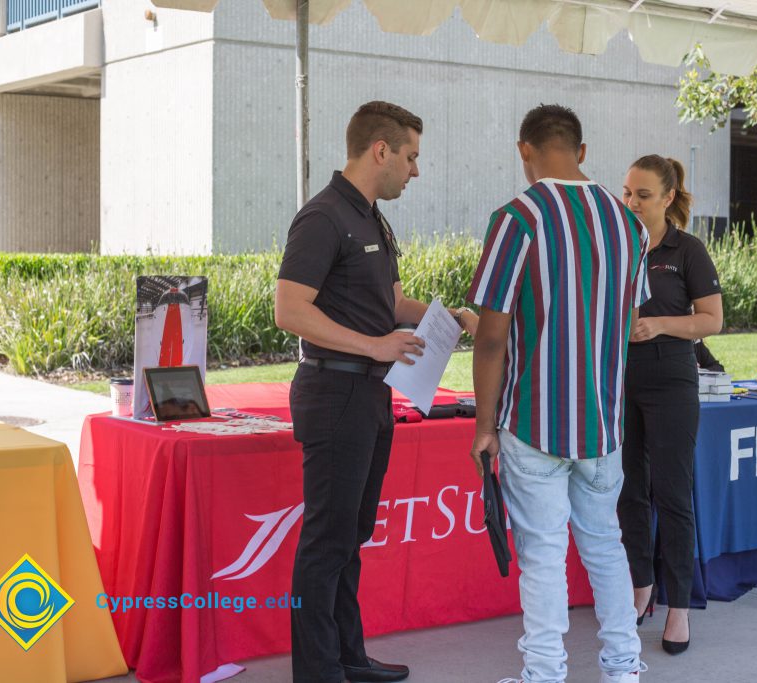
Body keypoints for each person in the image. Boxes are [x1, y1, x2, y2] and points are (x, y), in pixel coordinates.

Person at [274, 101, 477, 683]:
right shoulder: (323, 216)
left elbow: (388, 304)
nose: (415, 171)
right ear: (380, 150)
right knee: (327, 539)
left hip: (369, 395)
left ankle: (347, 657)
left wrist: (452, 315)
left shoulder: (372, 218)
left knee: (350, 536)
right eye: (411, 157)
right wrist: (374, 347)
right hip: (334, 392)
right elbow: (290, 310)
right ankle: (317, 672)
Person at [468, 104, 650, 683]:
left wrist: (483, 424)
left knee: (543, 557)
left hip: (534, 419)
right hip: (603, 424)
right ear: (583, 151)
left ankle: (544, 672)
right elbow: (628, 316)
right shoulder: (630, 224)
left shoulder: (517, 218)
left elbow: (491, 337)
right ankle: (624, 667)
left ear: (525, 150)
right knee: (606, 548)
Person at [616, 155, 723, 655]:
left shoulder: (688, 250)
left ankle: (678, 604)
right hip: (618, 377)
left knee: (672, 493)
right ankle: (642, 586)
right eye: (627, 192)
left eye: (641, 194)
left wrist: (659, 324)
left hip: (671, 376)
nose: (631, 202)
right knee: (628, 490)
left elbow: (711, 321)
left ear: (667, 198)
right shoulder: (616, 245)